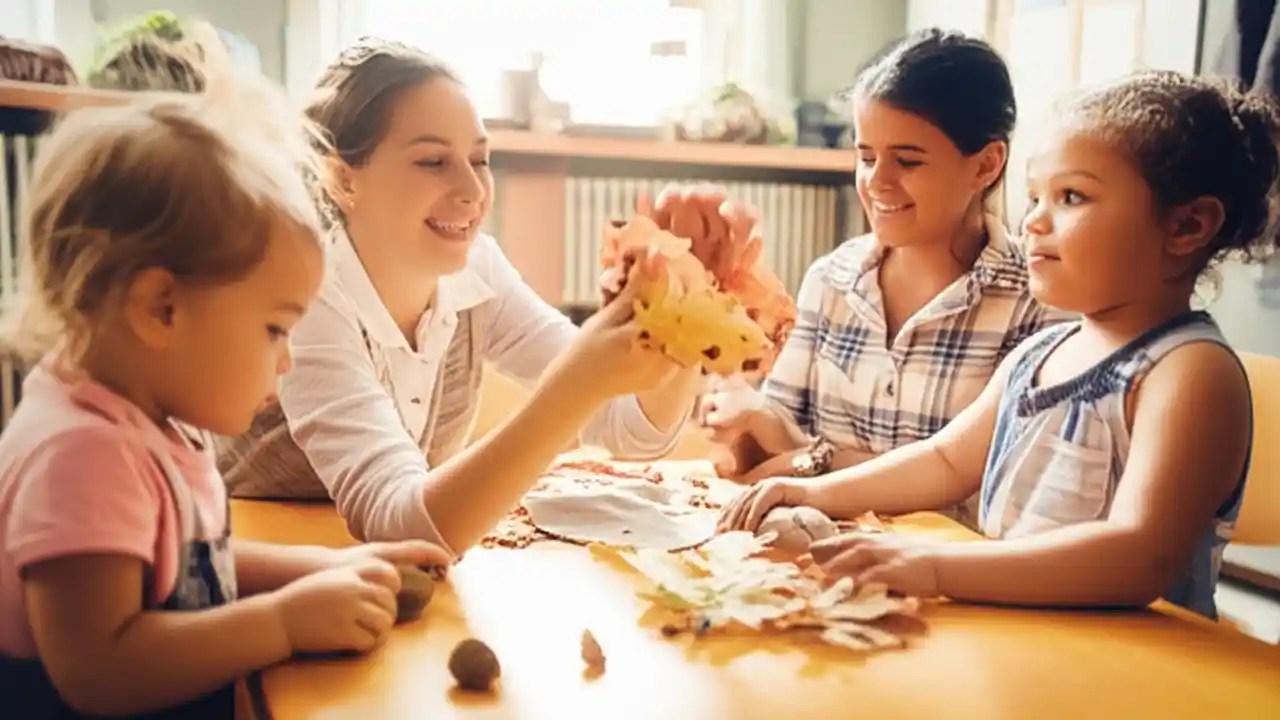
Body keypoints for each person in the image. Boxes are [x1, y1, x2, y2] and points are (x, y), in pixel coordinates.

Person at [720, 70, 1269, 620]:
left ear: (1188, 226)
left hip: (1133, 673)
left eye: (1071, 197)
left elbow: (1139, 555)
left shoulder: (1189, 372)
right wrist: (812, 492)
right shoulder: (1041, 353)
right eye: (1034, 197)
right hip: (1020, 639)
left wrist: (936, 567)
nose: (1033, 222)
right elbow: (943, 460)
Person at [0, 68, 451, 718]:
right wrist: (283, 624)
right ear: (161, 308)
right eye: (274, 329)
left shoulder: (146, 421)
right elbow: (98, 669)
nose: (287, 359)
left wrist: (324, 567)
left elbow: (191, 569)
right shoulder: (81, 454)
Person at [218, 37, 703, 553]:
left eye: (480, 159)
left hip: (386, 581)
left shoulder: (478, 272)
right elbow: (397, 525)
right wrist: (574, 385)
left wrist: (684, 316)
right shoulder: (308, 292)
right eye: (432, 161)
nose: (472, 190)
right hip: (261, 568)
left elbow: (632, 430)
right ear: (342, 179)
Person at [697, 29, 1067, 510]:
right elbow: (769, 457)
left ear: (986, 166)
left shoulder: (1040, 304)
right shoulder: (831, 280)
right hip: (807, 565)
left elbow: (989, 498)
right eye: (866, 156)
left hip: (947, 575)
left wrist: (814, 457)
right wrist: (740, 420)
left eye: (907, 161)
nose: (876, 182)